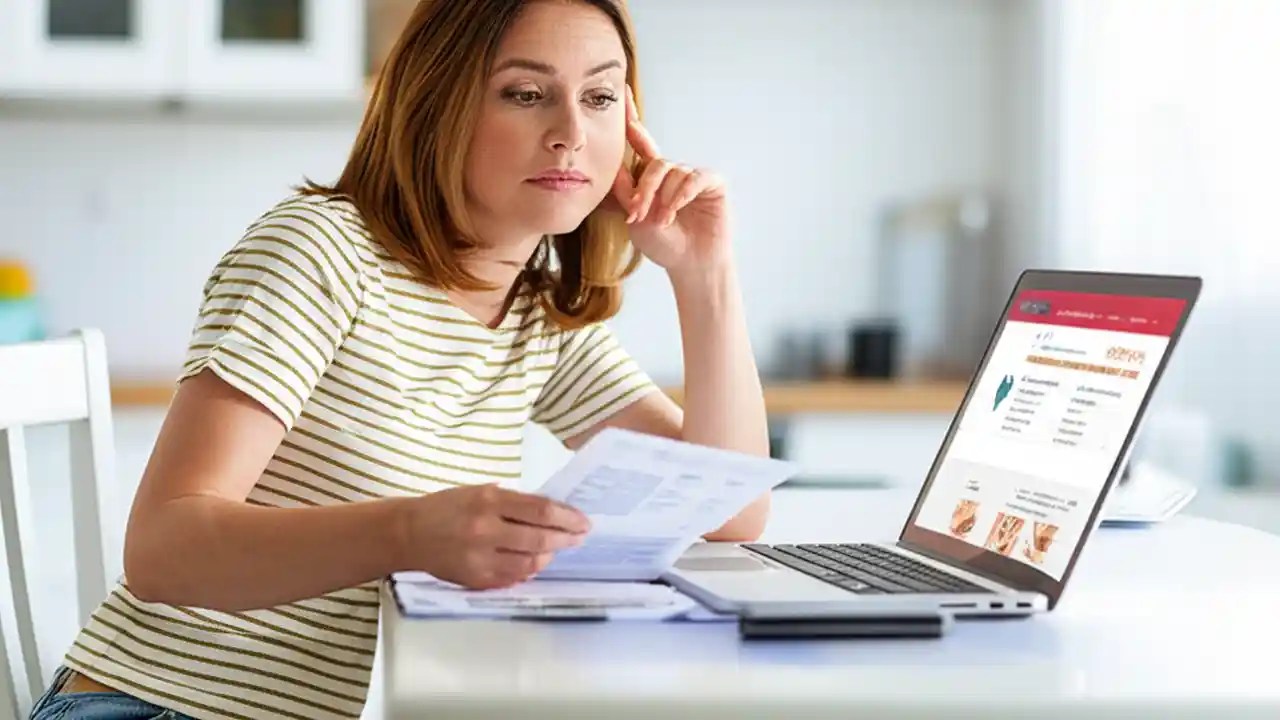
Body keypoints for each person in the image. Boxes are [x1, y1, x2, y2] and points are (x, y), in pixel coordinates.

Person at [29, 1, 768, 718]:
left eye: (602, 96)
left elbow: (730, 510)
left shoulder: (534, 315)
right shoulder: (323, 254)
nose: (571, 132)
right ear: (437, 105)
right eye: (525, 93)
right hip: (154, 705)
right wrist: (411, 533)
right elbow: (163, 551)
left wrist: (706, 277)